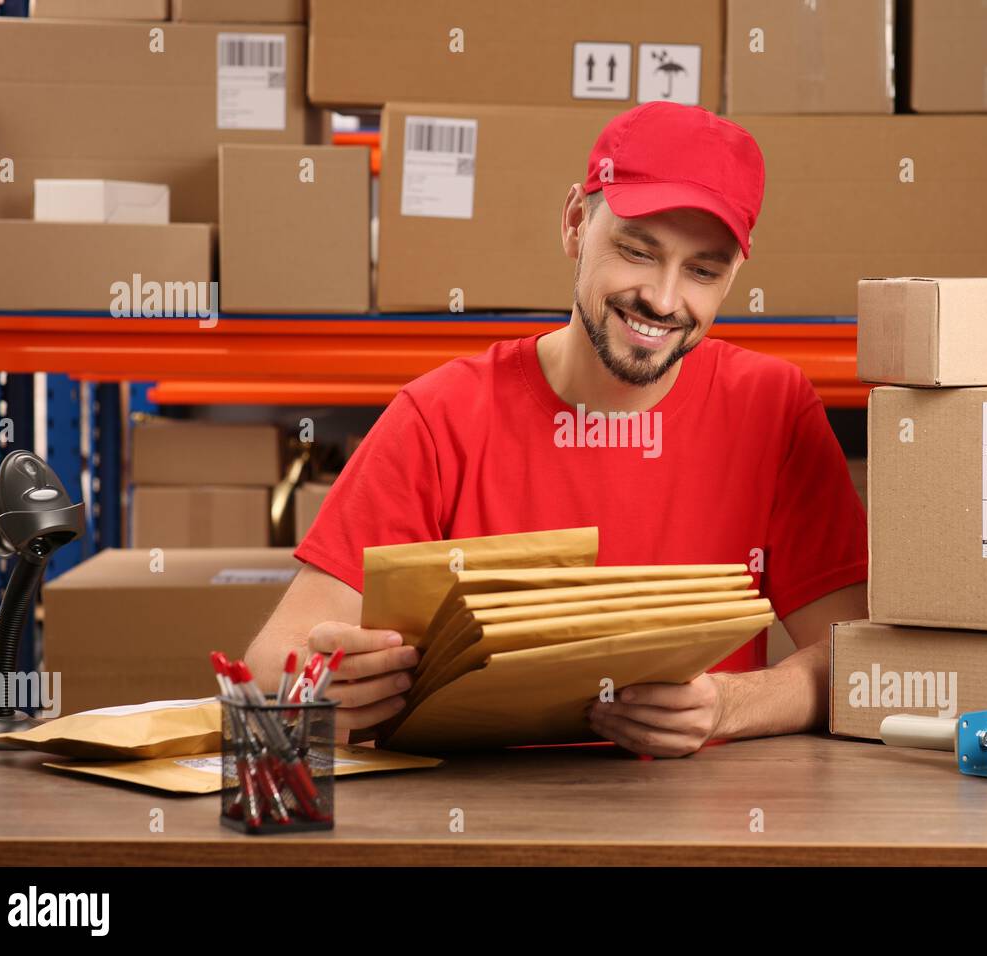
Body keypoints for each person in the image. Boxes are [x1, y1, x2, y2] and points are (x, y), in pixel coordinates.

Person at [245, 102, 868, 757]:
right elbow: (270, 665)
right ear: (576, 222)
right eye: (636, 251)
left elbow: (857, 661)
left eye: (703, 272)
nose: (661, 298)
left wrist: (729, 707)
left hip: (692, 826)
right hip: (471, 827)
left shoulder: (772, 410)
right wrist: (322, 685)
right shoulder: (441, 416)